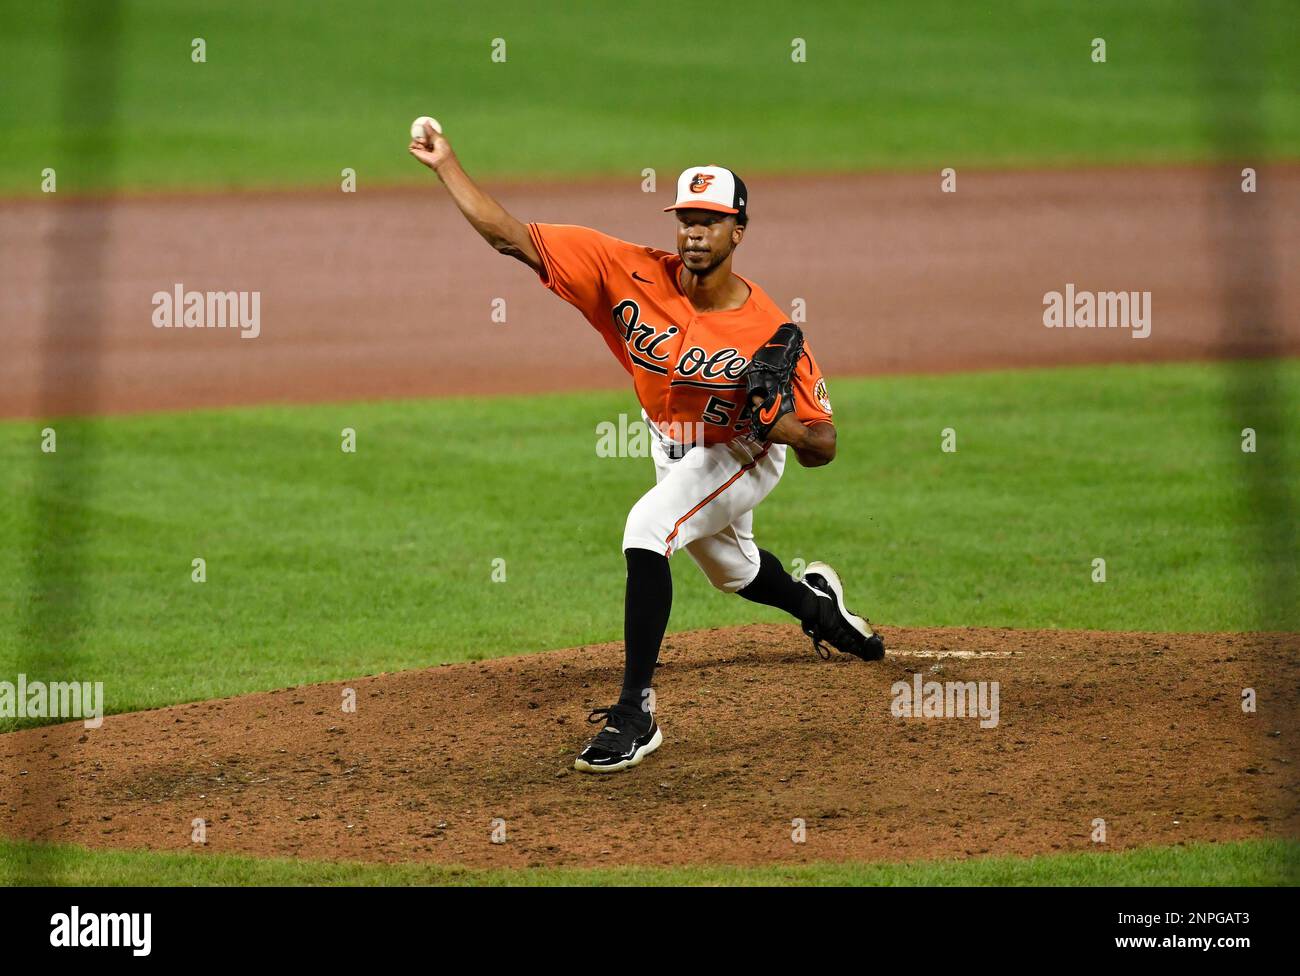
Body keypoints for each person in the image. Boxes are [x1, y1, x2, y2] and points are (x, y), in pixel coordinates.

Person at [409, 122, 884, 774]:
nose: (693, 232)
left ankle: (637, 713)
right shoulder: (624, 270)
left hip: (742, 451)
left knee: (648, 526)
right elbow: (509, 237)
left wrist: (788, 432)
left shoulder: (768, 328)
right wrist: (447, 165)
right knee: (733, 571)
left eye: (710, 221)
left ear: (737, 232)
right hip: (671, 444)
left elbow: (824, 444)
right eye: (686, 218)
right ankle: (820, 609)